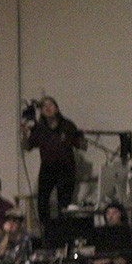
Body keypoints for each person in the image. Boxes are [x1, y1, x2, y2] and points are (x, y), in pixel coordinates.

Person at [21, 96, 86, 229]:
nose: (48, 108)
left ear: (56, 108)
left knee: (64, 204)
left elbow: (82, 146)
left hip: (66, 169)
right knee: (42, 204)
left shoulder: (67, 125)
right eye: (44, 106)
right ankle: (48, 232)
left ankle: (63, 232)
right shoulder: (39, 128)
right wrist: (24, 134)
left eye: (50, 105)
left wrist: (81, 137)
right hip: (47, 168)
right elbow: (27, 147)